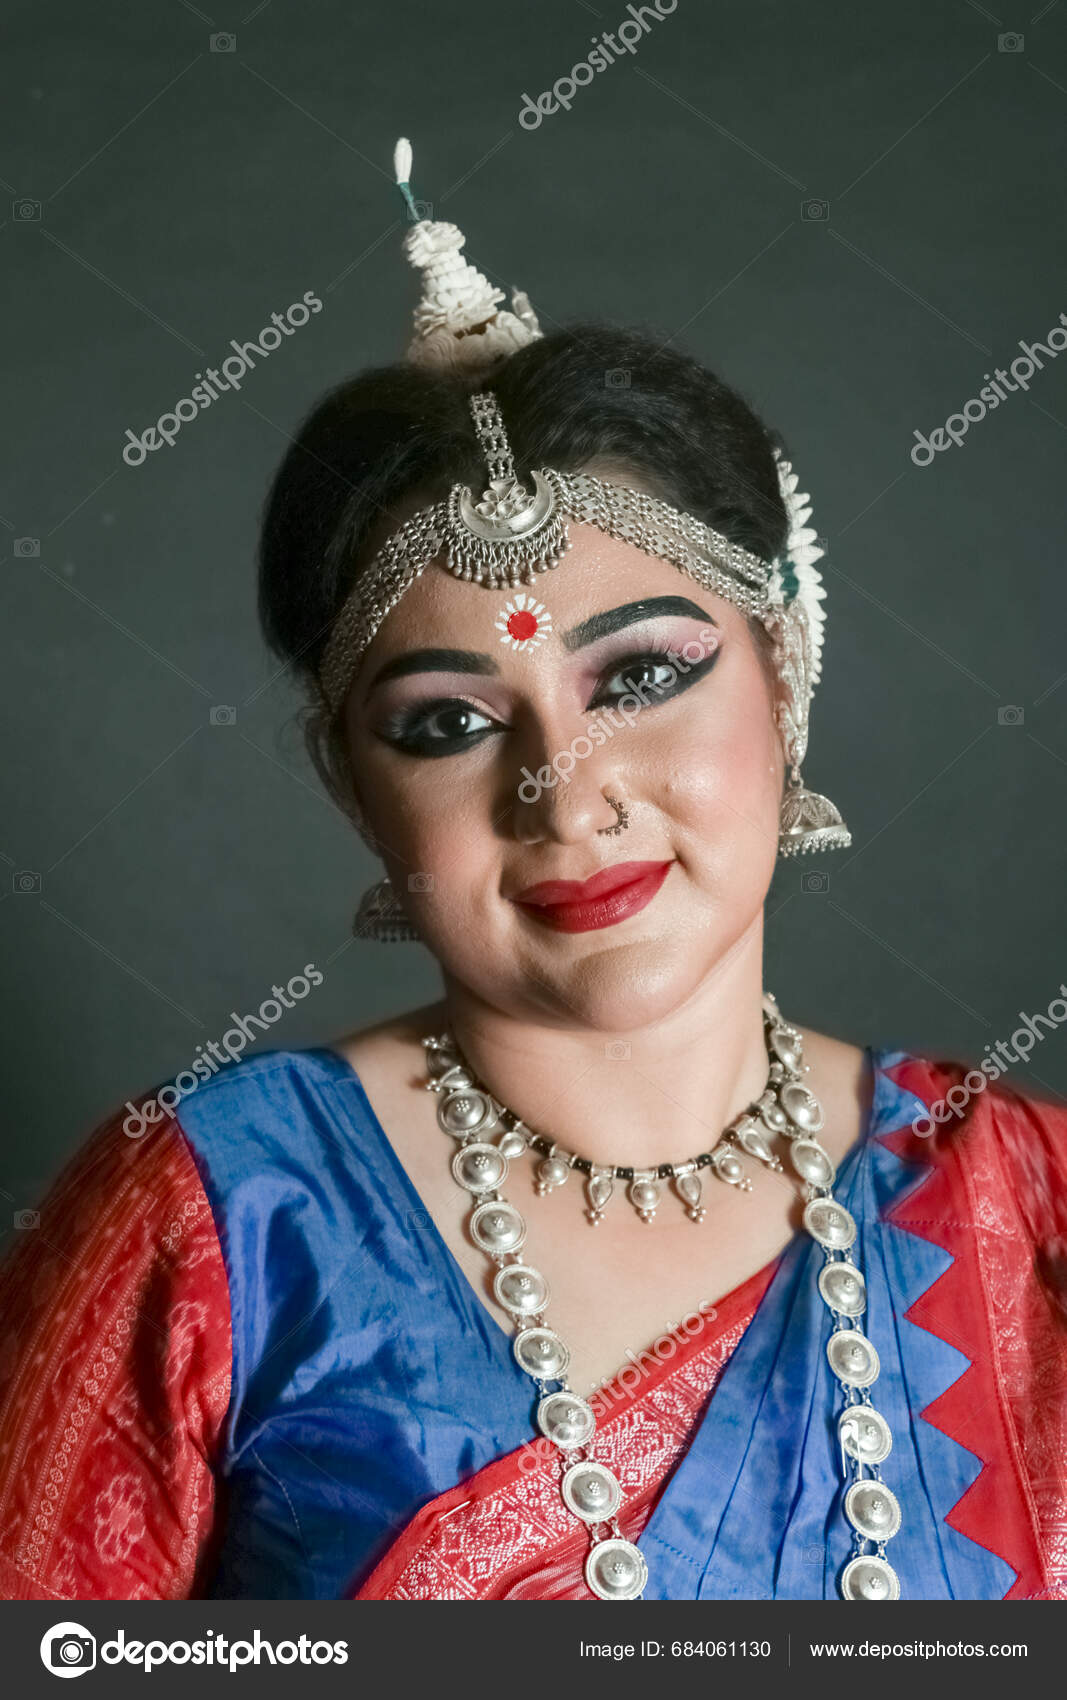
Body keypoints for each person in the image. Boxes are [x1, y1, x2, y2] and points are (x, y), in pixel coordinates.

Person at [1, 141, 1065, 1605]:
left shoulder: (1026, 1207)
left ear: (788, 673)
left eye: (640, 677)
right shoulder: (219, 1221)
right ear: (353, 786)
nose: (563, 794)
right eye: (447, 723)